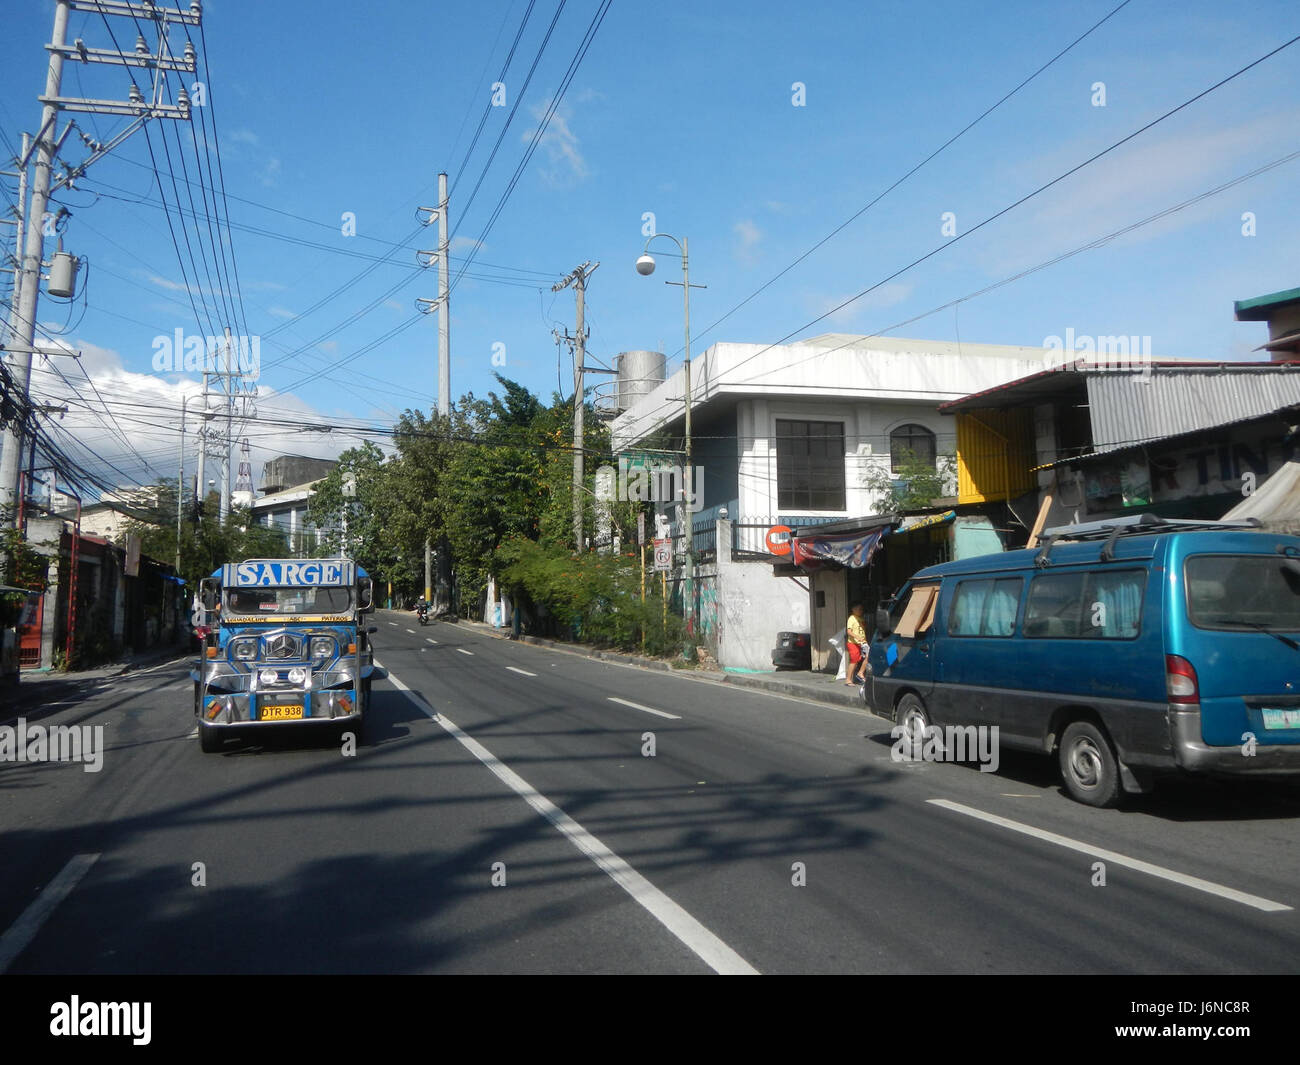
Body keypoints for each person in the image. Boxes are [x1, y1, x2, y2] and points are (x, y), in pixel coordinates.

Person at [845, 602, 868, 685]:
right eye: (858, 609)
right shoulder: (851, 618)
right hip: (853, 643)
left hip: (862, 643)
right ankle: (848, 679)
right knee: (854, 661)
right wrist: (857, 637)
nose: (860, 611)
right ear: (853, 609)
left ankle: (860, 673)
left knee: (868, 656)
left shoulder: (861, 619)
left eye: (861, 609)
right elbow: (849, 631)